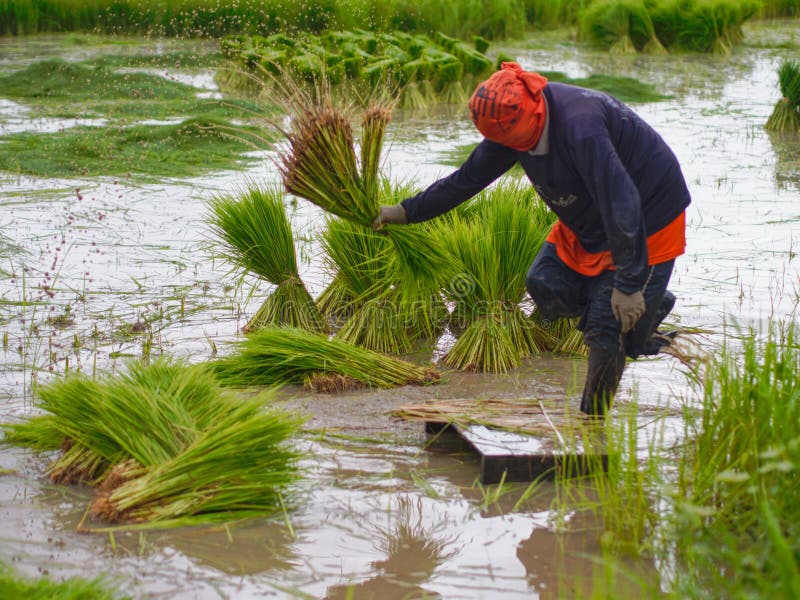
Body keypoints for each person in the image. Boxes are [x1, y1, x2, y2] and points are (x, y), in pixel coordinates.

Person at [373, 62, 690, 416]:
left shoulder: (579, 128)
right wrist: (403, 211)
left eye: (506, 140)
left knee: (605, 331)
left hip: (644, 217)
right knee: (545, 282)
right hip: (587, 216)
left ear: (528, 119)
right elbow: (465, 180)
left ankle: (592, 422)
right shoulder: (511, 128)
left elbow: (623, 201)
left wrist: (630, 285)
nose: (501, 148)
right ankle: (648, 306)